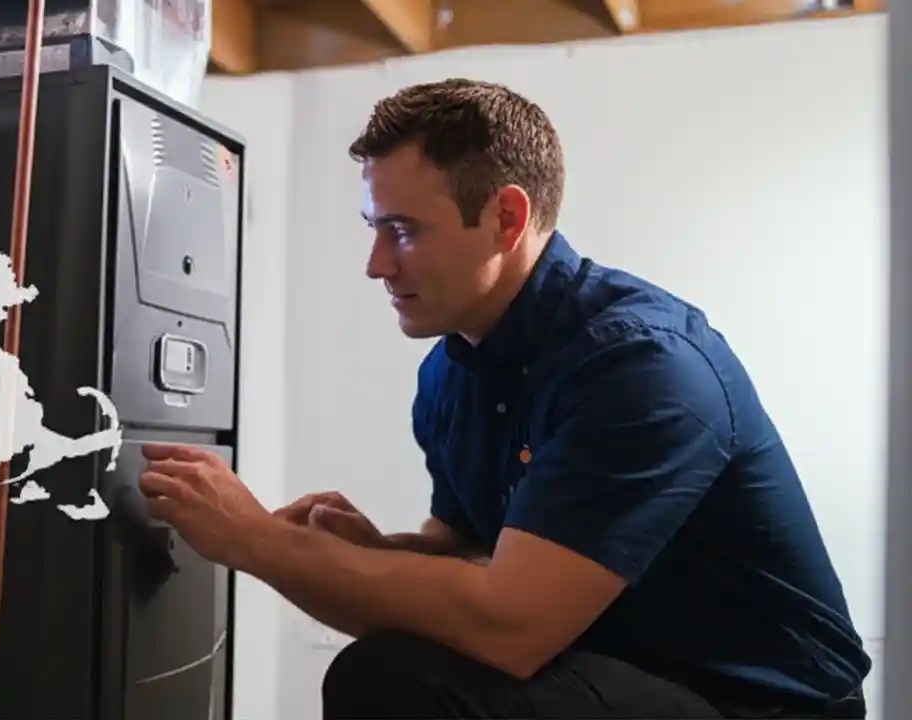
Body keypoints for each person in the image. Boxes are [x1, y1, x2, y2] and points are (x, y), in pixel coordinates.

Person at [136, 78, 872, 719]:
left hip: (755, 705)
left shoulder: (641, 367)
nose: (376, 264)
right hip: (616, 669)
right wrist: (373, 553)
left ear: (506, 220)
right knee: (403, 658)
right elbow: (468, 555)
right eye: (374, 229)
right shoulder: (452, 370)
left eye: (403, 231)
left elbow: (507, 626)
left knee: (389, 678)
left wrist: (258, 541)